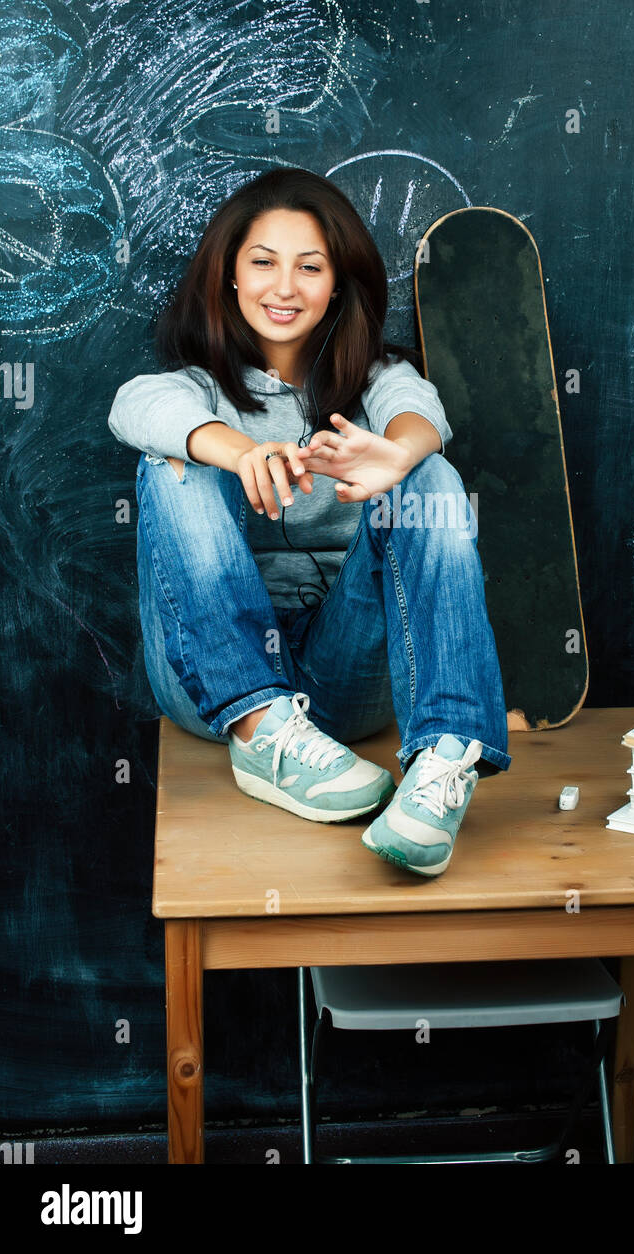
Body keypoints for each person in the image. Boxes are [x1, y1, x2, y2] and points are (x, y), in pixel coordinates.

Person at [108, 166, 510, 877]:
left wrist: (395, 457)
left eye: (310, 267)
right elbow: (135, 406)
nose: (284, 287)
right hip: (214, 682)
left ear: (337, 285)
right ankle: (263, 732)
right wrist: (239, 451)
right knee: (171, 461)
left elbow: (423, 415)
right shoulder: (194, 387)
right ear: (230, 275)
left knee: (433, 477)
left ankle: (444, 764)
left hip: (341, 675)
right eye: (262, 263)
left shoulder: (378, 379)